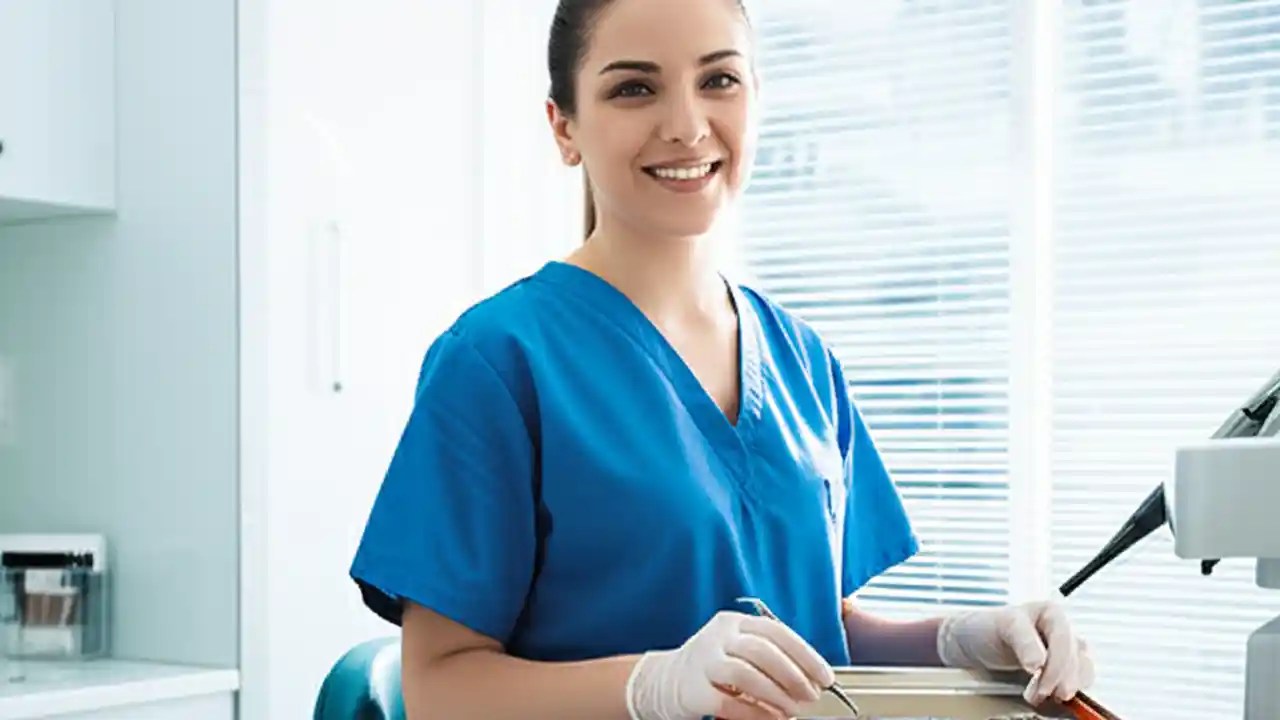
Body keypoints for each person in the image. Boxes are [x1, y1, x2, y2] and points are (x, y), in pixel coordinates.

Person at [348, 0, 1095, 718]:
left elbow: (816, 637)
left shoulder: (804, 361)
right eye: (635, 88)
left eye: (719, 80)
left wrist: (969, 640)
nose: (687, 125)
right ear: (564, 127)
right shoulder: (496, 362)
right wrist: (654, 687)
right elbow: (442, 688)